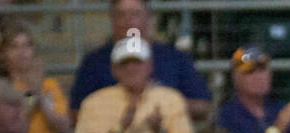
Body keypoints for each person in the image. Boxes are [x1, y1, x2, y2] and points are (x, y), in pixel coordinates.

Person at [69, 0, 212, 122]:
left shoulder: (175, 58)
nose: (128, 21)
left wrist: (160, 104)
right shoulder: (94, 62)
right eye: (121, 15)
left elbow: (203, 107)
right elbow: (75, 114)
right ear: (112, 19)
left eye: (135, 14)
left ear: (148, 18)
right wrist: (114, 108)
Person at [0, 22, 73, 133]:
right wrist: (33, 94)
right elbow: (15, 128)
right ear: (3, 54)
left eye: (26, 46)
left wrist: (39, 93)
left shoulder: (49, 85)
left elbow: (64, 127)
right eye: (14, 47)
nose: (22, 52)